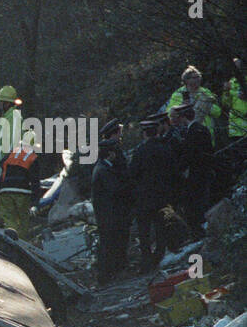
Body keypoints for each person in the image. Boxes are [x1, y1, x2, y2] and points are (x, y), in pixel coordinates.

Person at [127, 112, 178, 269]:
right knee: (162, 226)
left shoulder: (140, 152)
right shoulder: (165, 148)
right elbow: (173, 170)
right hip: (163, 196)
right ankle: (160, 254)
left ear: (144, 134)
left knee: (144, 231)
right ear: (157, 131)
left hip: (144, 198)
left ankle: (146, 259)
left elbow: (132, 174)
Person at [91, 137, 133, 284]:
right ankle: (106, 276)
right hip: (108, 215)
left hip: (108, 214)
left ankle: (110, 274)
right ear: (110, 154)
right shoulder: (103, 170)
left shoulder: (103, 167)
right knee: (109, 246)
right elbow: (114, 190)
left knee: (110, 245)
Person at [169, 101, 215, 231]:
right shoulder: (203, 129)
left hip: (196, 172)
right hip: (206, 169)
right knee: (203, 197)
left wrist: (179, 169)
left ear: (183, 117)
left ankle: (200, 229)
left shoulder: (192, 132)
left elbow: (189, 155)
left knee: (196, 201)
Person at [0, 132, 42, 238]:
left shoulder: (11, 154)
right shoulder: (33, 158)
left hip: (5, 191)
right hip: (22, 193)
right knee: (22, 222)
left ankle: (7, 241)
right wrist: (35, 203)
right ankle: (19, 245)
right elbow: (35, 182)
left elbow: (2, 165)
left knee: (9, 220)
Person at [166, 65, 222, 139]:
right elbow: (169, 113)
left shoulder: (205, 92)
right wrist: (182, 106)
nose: (198, 79)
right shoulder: (179, 94)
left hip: (207, 133)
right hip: (187, 133)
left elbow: (218, 112)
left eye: (198, 77)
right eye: (194, 78)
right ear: (186, 80)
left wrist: (206, 106)